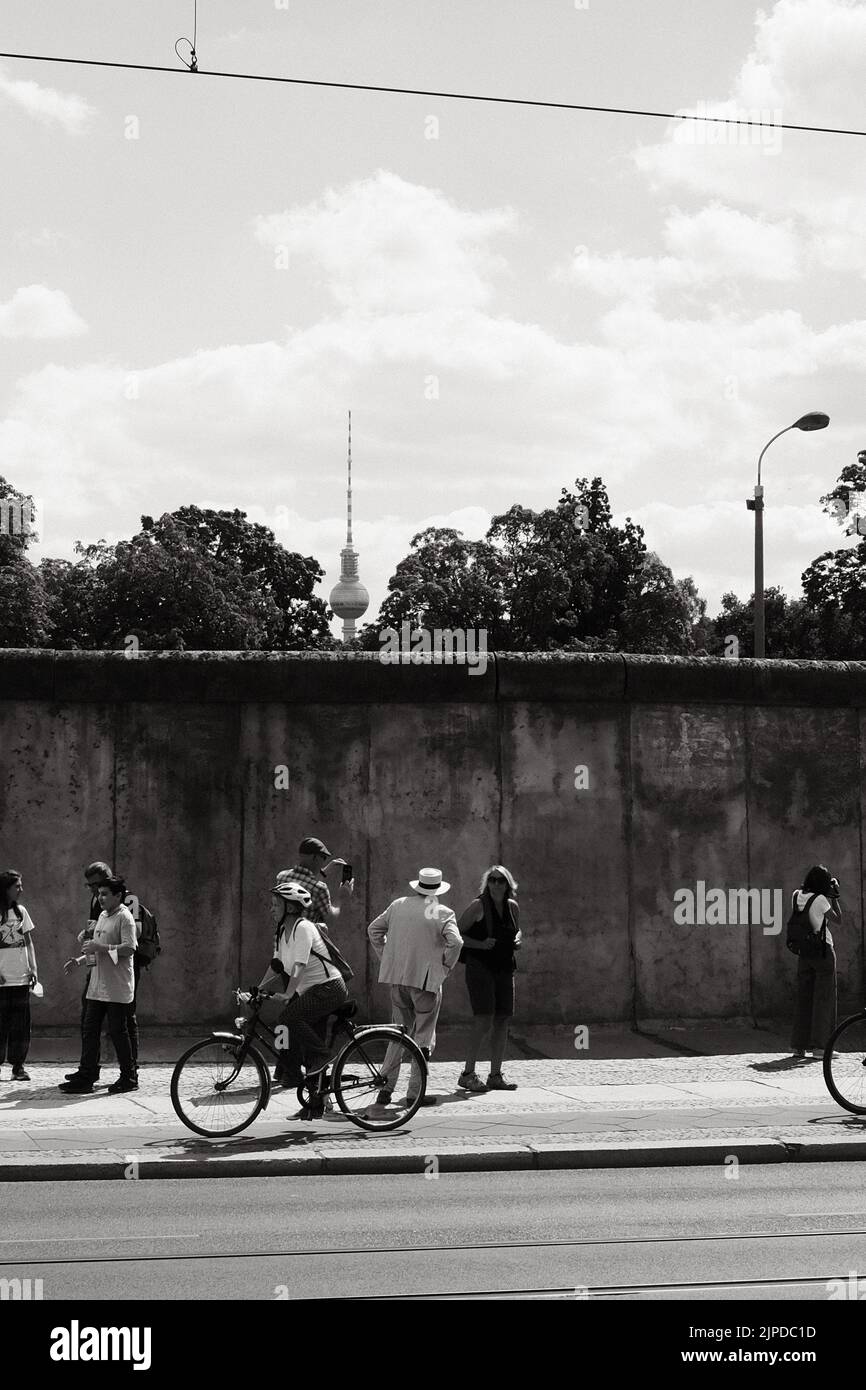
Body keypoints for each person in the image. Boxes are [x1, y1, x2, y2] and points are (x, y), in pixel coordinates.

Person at [367, 866, 463, 1108]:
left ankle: (385, 1088)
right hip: (426, 982)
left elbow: (374, 930)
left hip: (398, 978)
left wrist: (387, 957)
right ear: (437, 889)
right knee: (423, 1037)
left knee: (397, 1035)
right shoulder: (442, 912)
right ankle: (414, 1093)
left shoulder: (398, 905)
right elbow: (456, 942)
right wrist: (445, 967)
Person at [261, 880, 348, 1115]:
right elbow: (277, 965)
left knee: (288, 1019)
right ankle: (314, 1104)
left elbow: (299, 965)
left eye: (276, 905)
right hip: (312, 992)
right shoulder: (282, 930)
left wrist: (289, 993)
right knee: (296, 1035)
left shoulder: (303, 928)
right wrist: (258, 990)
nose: (271, 909)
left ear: (290, 907)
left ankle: (323, 1055)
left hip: (329, 988)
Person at [65, 862, 151, 1086]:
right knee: (90, 1024)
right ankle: (87, 1073)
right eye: (92, 888)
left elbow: (130, 944)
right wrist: (84, 957)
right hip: (98, 977)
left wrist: (101, 947)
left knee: (121, 1027)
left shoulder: (126, 908)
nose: (96, 893)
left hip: (119, 979)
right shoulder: (102, 910)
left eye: (100, 889)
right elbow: (97, 939)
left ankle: (130, 1073)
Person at [456, 864, 522, 1092]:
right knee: (483, 1019)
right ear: (487, 883)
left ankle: (495, 1074)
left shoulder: (512, 907)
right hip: (480, 967)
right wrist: (480, 944)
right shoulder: (478, 906)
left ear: (508, 884)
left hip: (504, 966)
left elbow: (516, 930)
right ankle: (467, 1073)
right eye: (492, 880)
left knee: (503, 1019)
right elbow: (456, 934)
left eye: (500, 880)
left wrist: (518, 940)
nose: (496, 884)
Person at [790, 864, 841, 1061]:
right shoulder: (820, 900)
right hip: (822, 951)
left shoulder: (796, 895)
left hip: (804, 952)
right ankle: (821, 1047)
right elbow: (838, 920)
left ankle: (798, 1046)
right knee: (824, 1000)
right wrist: (835, 897)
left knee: (803, 999)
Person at [275, 836, 354, 943]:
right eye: (323, 858)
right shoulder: (320, 889)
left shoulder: (281, 877)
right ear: (315, 858)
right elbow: (330, 919)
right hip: (307, 947)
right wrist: (341, 898)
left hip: (283, 942)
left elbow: (304, 885)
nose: (323, 862)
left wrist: (323, 872)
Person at [0, 870, 38, 1082]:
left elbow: (28, 942)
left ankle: (18, 1067)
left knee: (21, 1026)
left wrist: (34, 968)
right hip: (2, 981)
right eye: (17, 886)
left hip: (21, 978)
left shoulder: (21, 911)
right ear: (6, 888)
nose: (21, 889)